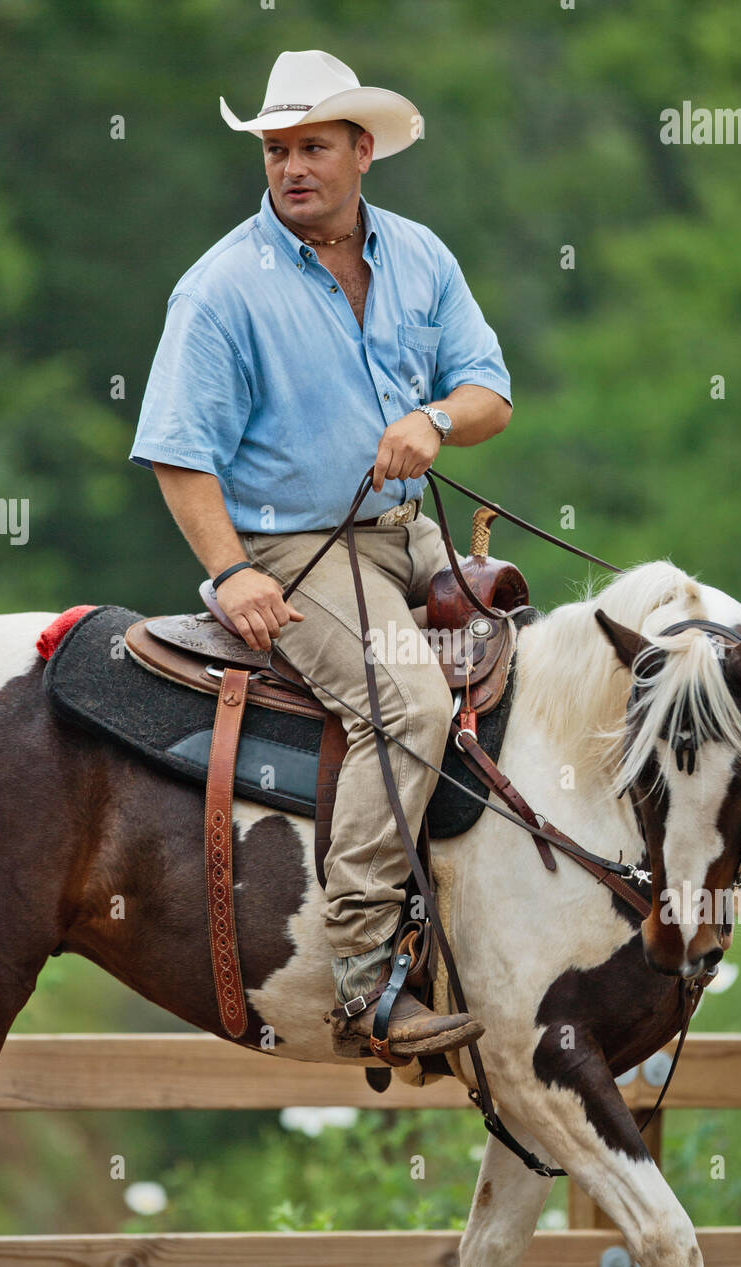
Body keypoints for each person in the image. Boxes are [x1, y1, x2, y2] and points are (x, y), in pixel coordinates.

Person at [130, 49, 512, 1060]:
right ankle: (362, 980)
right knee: (409, 701)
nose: (291, 166)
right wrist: (233, 572)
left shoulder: (422, 256)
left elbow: (489, 392)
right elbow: (176, 453)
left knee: (530, 676)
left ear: (362, 150)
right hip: (294, 544)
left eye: (311, 146)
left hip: (408, 530)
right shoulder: (217, 290)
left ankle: (501, 935)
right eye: (274, 149)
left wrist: (433, 417)